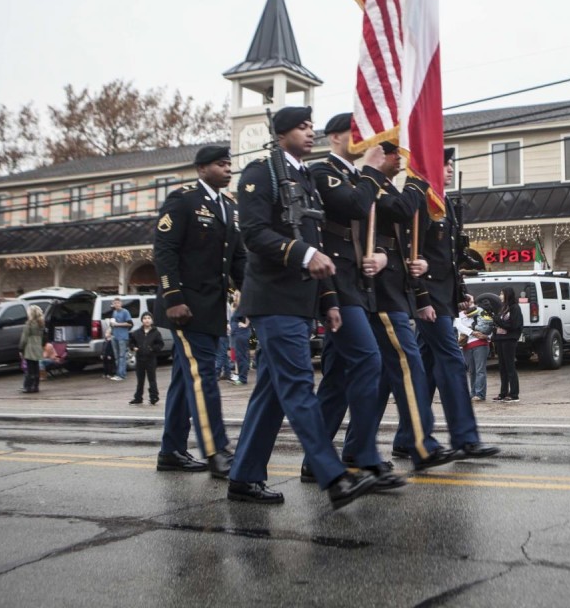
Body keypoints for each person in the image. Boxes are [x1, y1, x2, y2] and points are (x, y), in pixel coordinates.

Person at [227, 106, 376, 508]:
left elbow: (318, 243)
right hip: (274, 298)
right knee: (297, 387)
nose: (310, 132)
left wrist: (328, 299)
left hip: (300, 300)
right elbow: (254, 233)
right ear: (280, 133)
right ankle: (334, 477)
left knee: (272, 395)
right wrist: (303, 253)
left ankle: (243, 476)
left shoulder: (305, 179)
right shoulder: (262, 173)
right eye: (301, 127)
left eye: (311, 126)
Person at [301, 112, 400, 489]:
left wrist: (385, 256)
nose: (365, 143)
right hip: (336, 282)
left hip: (358, 282)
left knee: (339, 377)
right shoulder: (324, 172)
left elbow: (381, 227)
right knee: (368, 360)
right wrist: (374, 171)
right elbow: (354, 207)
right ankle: (364, 456)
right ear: (337, 137)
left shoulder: (358, 178)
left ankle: (317, 460)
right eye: (357, 135)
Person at [154, 144, 247, 479]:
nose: (228, 169)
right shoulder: (184, 199)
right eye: (221, 164)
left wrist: (249, 296)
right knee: (203, 374)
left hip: (212, 306)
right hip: (186, 307)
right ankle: (216, 449)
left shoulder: (229, 207)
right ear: (202, 167)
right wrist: (173, 296)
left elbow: (238, 259)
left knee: (185, 378)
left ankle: (171, 451)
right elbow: (164, 249)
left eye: (229, 164)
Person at [410, 146, 499, 460]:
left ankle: (408, 437)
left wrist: (460, 293)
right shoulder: (422, 200)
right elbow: (414, 256)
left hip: (444, 299)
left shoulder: (444, 201)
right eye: (443, 164)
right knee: (451, 362)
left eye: (450, 164)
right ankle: (464, 437)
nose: (449, 168)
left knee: (427, 368)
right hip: (429, 301)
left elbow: (449, 258)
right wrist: (422, 299)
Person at [492, 286, 522, 402]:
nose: (500, 296)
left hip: (509, 339)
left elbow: (513, 325)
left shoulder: (515, 308)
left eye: (502, 294)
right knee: (502, 367)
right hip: (500, 339)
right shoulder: (503, 308)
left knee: (510, 367)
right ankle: (503, 393)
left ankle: (514, 393)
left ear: (508, 295)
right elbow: (499, 323)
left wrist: (498, 320)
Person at [129, 312, 165, 406]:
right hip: (140, 358)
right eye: (144, 318)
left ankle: (154, 397)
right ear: (142, 320)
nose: (147, 320)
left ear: (152, 320)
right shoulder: (137, 332)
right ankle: (138, 397)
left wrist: (152, 349)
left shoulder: (156, 332)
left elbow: (160, 344)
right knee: (140, 380)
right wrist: (134, 348)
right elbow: (131, 342)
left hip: (150, 359)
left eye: (149, 318)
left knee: (152, 379)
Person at [461, 296, 491, 401]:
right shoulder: (460, 314)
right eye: (470, 302)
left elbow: (488, 325)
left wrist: (487, 336)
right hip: (466, 345)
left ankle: (480, 394)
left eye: (473, 302)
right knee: (472, 371)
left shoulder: (480, 312)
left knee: (480, 370)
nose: (472, 304)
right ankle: (473, 393)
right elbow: (459, 327)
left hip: (480, 344)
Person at [19, 305, 45, 394]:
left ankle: (27, 386)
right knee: (36, 367)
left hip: (30, 346)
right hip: (38, 345)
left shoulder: (29, 323)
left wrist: (21, 348)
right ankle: (35, 386)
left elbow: (24, 338)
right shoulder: (41, 323)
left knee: (29, 368)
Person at [107, 298, 132, 382]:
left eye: (118, 303)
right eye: (115, 303)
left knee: (122, 356)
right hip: (115, 336)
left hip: (123, 337)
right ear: (113, 304)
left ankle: (122, 374)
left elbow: (130, 323)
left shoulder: (125, 312)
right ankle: (118, 373)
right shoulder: (114, 312)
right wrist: (110, 329)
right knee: (117, 356)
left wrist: (118, 324)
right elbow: (112, 324)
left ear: (121, 303)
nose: (116, 304)